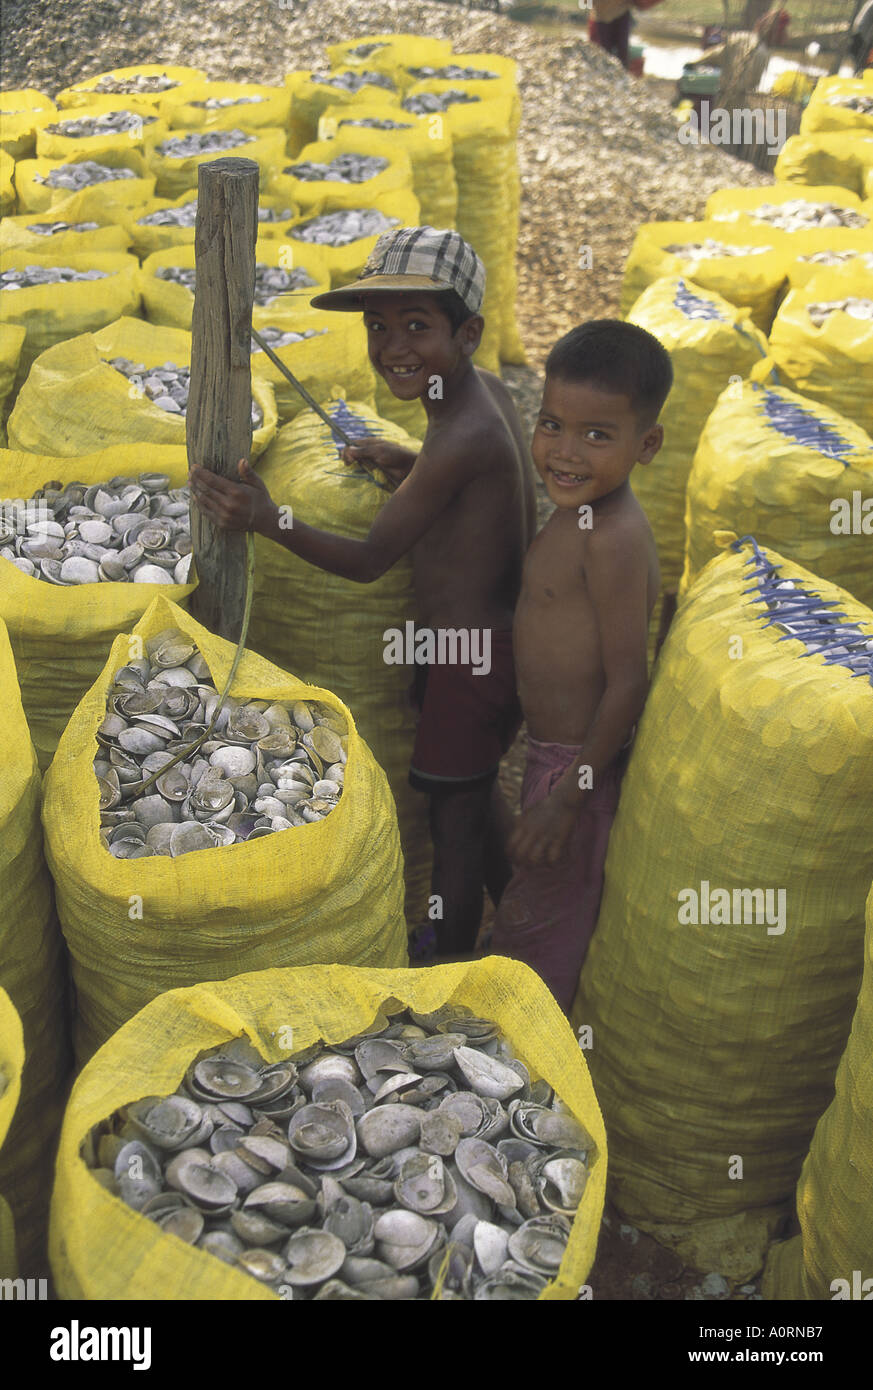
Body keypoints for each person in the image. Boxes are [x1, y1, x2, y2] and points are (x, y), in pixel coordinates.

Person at [189, 226, 536, 961]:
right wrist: (406, 458)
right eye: (378, 326)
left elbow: (369, 561)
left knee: (453, 824)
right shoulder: (481, 403)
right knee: (470, 794)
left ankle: (447, 954)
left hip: (468, 660)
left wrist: (266, 518)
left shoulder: (459, 434)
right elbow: (481, 481)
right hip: (487, 648)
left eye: (417, 326)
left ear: (469, 332)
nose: (392, 347)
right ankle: (535, 927)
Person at [490, 320, 672, 1014]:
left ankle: (524, 1068)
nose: (564, 453)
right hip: (556, 759)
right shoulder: (585, 515)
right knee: (537, 912)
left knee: (539, 936)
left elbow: (628, 681)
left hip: (575, 770)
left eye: (597, 435)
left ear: (646, 444)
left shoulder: (615, 539)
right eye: (551, 425)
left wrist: (567, 798)